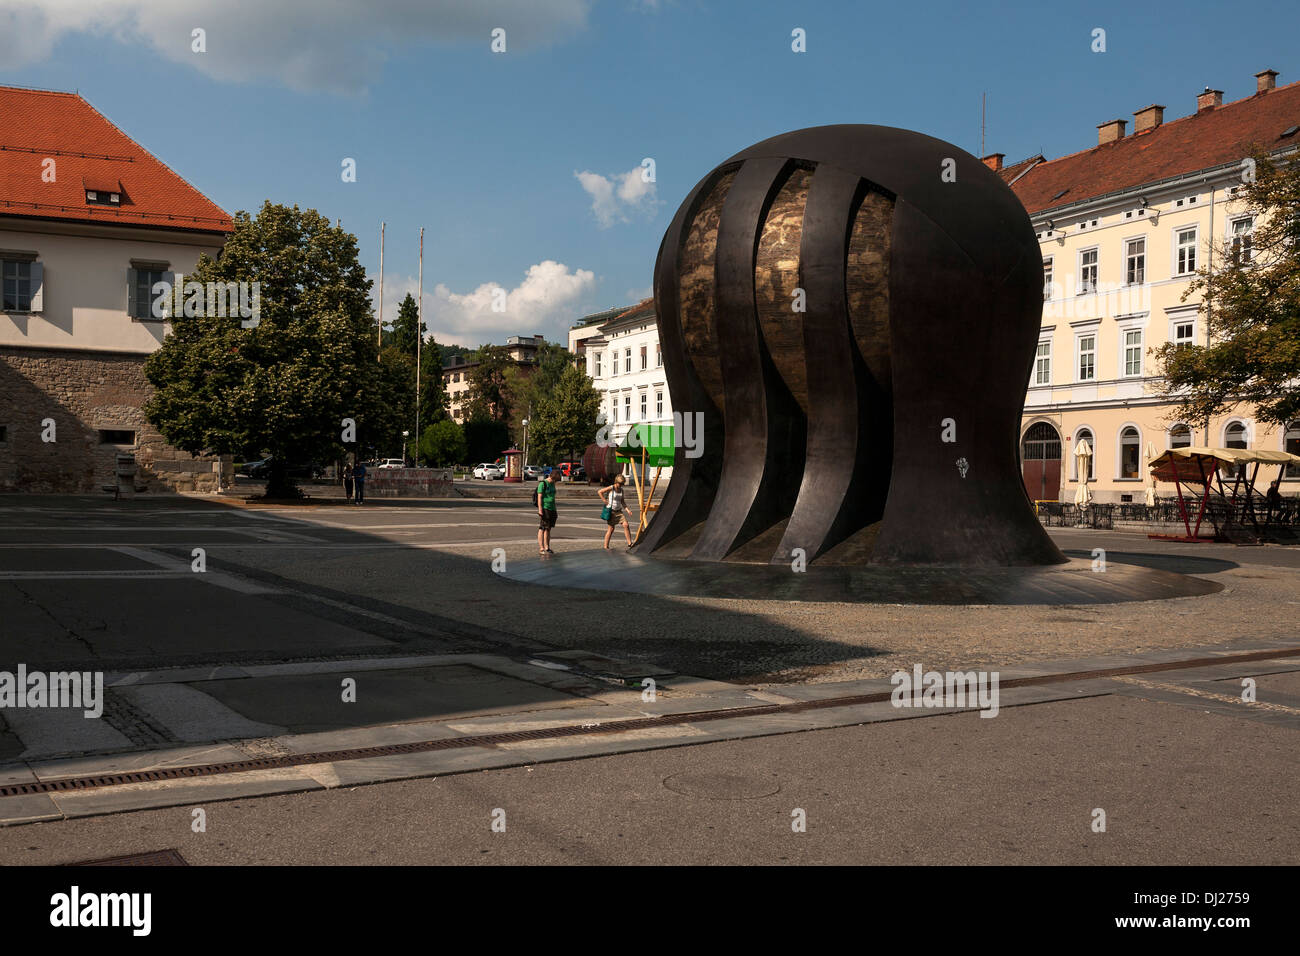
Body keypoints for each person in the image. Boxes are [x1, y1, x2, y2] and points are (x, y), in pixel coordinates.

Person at [600, 474, 633, 549]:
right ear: (616, 482)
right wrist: (604, 500)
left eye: (622, 484)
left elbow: (623, 502)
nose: (621, 485)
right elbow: (600, 491)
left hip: (619, 512)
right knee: (611, 529)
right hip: (611, 511)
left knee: (626, 525)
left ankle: (629, 543)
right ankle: (606, 547)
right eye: (620, 483)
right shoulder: (612, 488)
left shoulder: (621, 490)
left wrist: (628, 510)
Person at [537, 467, 558, 554]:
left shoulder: (553, 483)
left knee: (548, 528)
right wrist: (540, 509)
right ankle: (541, 548)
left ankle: (547, 547)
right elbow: (539, 497)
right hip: (545, 508)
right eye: (555, 480)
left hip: (552, 508)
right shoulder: (543, 484)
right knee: (542, 528)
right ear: (552, 477)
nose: (556, 482)